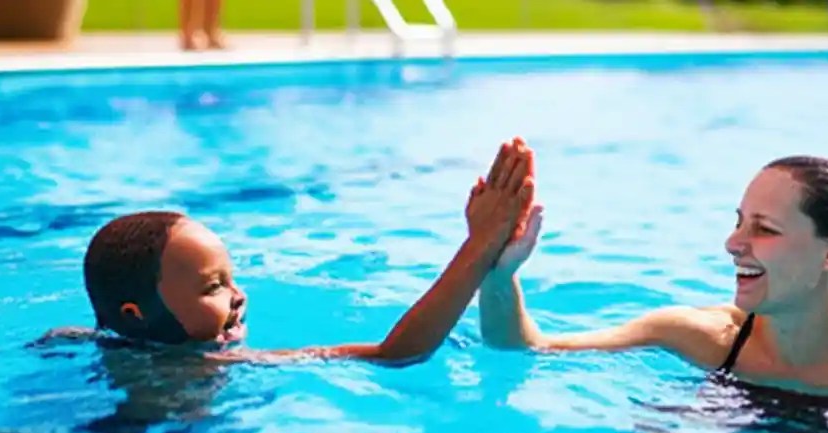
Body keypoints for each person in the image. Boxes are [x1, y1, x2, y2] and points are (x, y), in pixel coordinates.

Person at [478, 154, 828, 405]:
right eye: (739, 222)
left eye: (764, 229)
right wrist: (499, 274)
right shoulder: (702, 337)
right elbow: (528, 349)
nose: (733, 244)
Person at [39, 138, 537, 368]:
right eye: (213, 287)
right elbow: (397, 353)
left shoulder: (98, 343)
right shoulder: (196, 369)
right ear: (137, 314)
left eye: (231, 278)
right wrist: (481, 244)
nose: (237, 296)